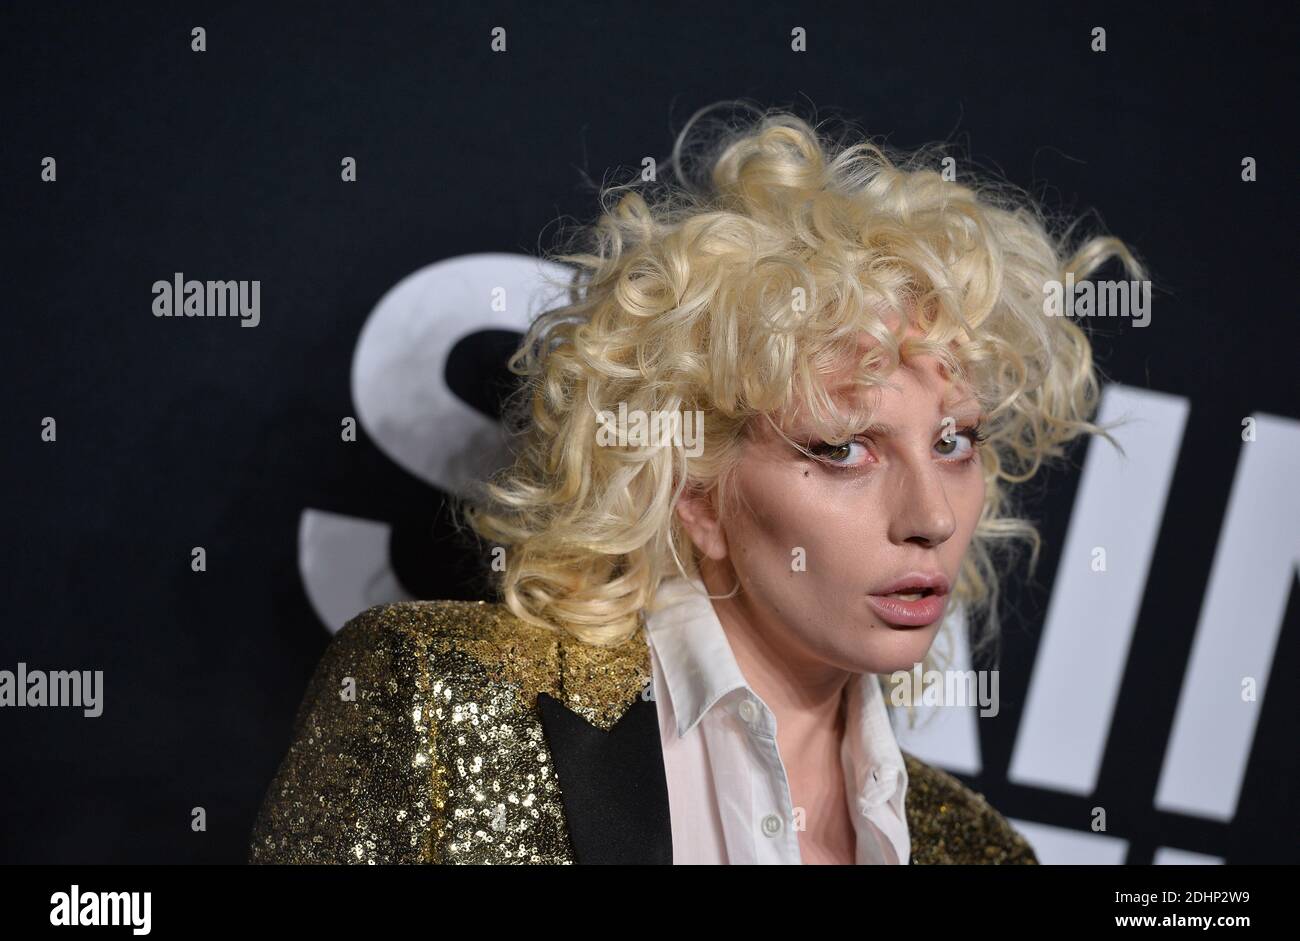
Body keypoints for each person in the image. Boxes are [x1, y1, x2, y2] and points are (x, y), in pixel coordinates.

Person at [249, 102, 1143, 864]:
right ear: (695, 489)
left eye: (955, 441)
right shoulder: (448, 708)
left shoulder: (977, 850)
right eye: (843, 449)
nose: (933, 516)